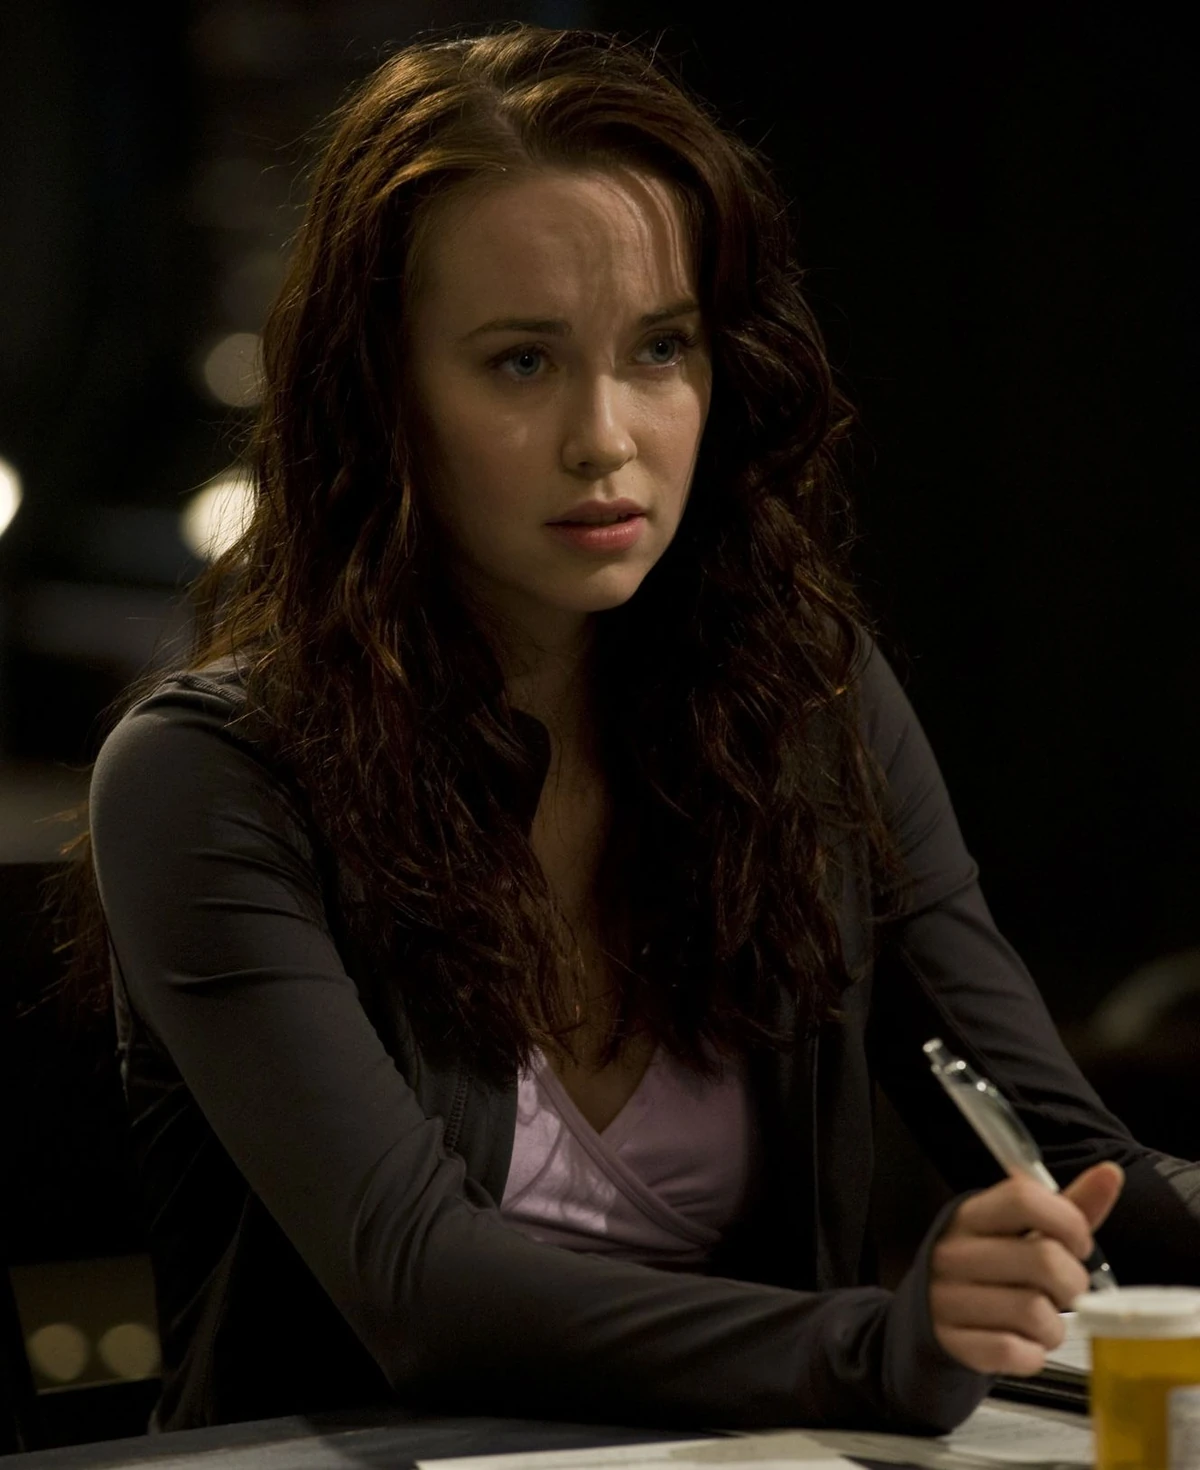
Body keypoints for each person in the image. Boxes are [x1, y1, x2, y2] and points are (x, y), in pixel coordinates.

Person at [69, 23, 1200, 1439]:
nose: (606, 436)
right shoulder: (208, 774)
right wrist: (877, 1344)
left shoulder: (806, 699)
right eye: (521, 363)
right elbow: (424, 1290)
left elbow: (1081, 1164)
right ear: (379, 395)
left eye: (661, 349)